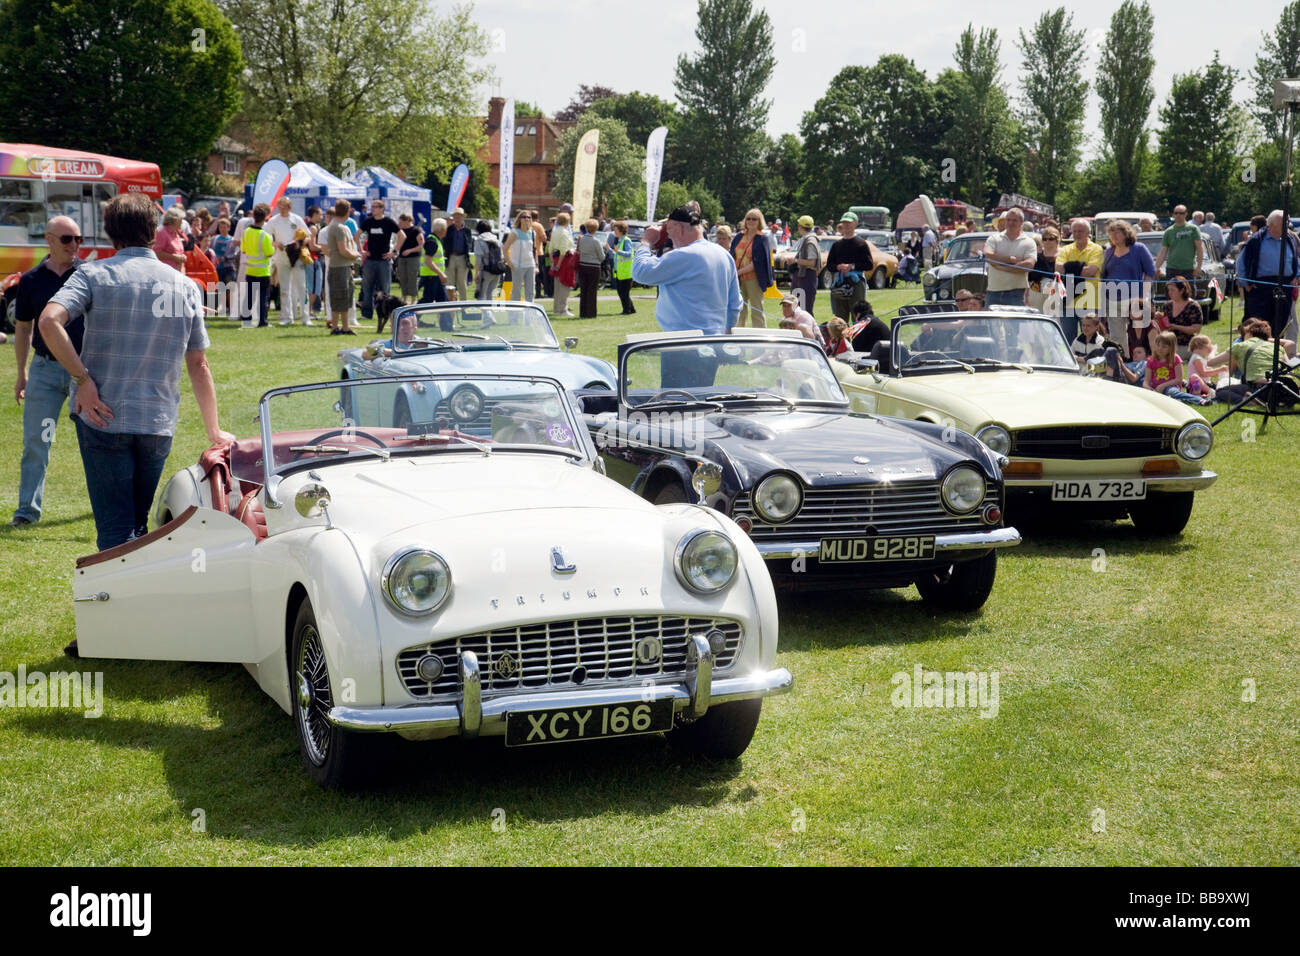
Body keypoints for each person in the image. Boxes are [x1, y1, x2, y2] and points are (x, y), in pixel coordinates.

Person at [37, 193, 234, 554]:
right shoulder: (184, 286)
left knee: (115, 530)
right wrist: (214, 428)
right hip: (155, 421)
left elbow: (49, 322)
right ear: (152, 231)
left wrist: (82, 380)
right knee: (138, 526)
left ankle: (119, 603)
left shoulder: (94, 274)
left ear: (111, 234)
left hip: (103, 418)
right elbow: (199, 364)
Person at [11, 217, 83, 527]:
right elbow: (23, 328)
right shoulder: (30, 281)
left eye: (79, 239)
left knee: (99, 443)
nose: (75, 245)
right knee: (37, 442)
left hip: (85, 372)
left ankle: (108, 508)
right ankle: (27, 512)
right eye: (67, 239)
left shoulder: (88, 276)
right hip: (44, 370)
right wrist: (22, 372)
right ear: (49, 239)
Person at [632, 202, 741, 335]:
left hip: (684, 342)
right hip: (715, 338)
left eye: (669, 231)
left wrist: (646, 242)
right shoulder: (724, 254)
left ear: (679, 228)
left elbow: (641, 273)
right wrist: (727, 331)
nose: (669, 236)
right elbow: (735, 303)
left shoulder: (684, 255)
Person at [1236, 209, 1300, 333]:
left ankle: (1275, 349)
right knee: (1258, 324)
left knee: (1280, 323)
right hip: (1260, 287)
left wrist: (1296, 276)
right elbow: (1241, 263)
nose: (1287, 226)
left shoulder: (1289, 239)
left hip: (1284, 285)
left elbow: (1295, 259)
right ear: (1270, 225)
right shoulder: (1256, 241)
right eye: (1283, 223)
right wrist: (1246, 284)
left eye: (1287, 223)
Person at [1100, 219, 1156, 356]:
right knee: (1116, 336)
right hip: (1112, 299)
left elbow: (1150, 272)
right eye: (1111, 234)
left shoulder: (1139, 249)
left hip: (1135, 299)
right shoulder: (1109, 252)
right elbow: (1103, 276)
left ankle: (1147, 364)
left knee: (1140, 334)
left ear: (1126, 234)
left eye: (1117, 233)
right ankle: (1122, 364)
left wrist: (1142, 297)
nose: (1114, 237)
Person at [1057, 219, 1104, 341]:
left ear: (1088, 232)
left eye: (1081, 231)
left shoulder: (1096, 249)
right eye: (1075, 231)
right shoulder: (1065, 249)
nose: (1077, 234)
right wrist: (1081, 267)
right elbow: (1058, 269)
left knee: (1092, 338)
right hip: (1068, 300)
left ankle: (1093, 360)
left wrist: (1068, 267)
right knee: (1067, 338)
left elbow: (1091, 271)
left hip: (1090, 299)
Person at [266, 197, 310, 326]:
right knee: (284, 288)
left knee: (302, 287)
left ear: (289, 207)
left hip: (296, 256)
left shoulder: (296, 219)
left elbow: (308, 236)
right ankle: (287, 317)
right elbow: (266, 237)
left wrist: (299, 243)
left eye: (284, 206)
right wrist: (275, 243)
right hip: (281, 255)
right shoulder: (274, 221)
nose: (281, 209)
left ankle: (305, 317)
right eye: (280, 206)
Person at [982, 207, 1036, 308]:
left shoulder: (1029, 242)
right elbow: (988, 255)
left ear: (1021, 222)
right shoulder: (994, 238)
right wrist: (1010, 260)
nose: (1011, 223)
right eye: (1008, 220)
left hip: (1016, 294)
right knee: (992, 324)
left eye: (1014, 220)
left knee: (1015, 324)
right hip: (993, 292)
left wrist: (1002, 266)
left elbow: (1029, 265)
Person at [358, 199, 402, 323]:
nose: (373, 209)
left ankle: (384, 313)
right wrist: (362, 250)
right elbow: (356, 235)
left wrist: (393, 252)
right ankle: (367, 313)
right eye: (372, 206)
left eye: (376, 207)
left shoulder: (388, 222)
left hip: (384, 261)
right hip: (370, 260)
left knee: (385, 289)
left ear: (382, 208)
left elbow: (402, 235)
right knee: (367, 288)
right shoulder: (368, 222)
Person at [825, 211, 874, 320]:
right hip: (839, 283)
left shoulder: (861, 244)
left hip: (856, 283)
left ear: (855, 223)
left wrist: (851, 267)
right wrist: (838, 267)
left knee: (858, 316)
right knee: (840, 318)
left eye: (849, 223)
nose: (846, 225)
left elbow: (869, 265)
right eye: (844, 223)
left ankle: (858, 337)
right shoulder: (837, 245)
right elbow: (829, 265)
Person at [322, 200, 360, 335]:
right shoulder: (339, 228)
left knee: (345, 297)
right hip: (339, 267)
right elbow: (343, 250)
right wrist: (356, 255)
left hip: (342, 266)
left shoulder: (337, 226)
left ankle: (345, 327)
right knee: (339, 297)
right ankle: (336, 327)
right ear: (347, 211)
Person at [731, 208, 773, 327]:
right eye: (748, 218)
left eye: (754, 219)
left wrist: (738, 272)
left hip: (754, 278)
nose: (751, 221)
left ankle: (760, 339)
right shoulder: (739, 236)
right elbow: (732, 255)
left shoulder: (762, 238)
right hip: (738, 279)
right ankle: (738, 337)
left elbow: (758, 262)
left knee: (757, 310)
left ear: (759, 221)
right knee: (739, 309)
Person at [1144, 330, 1210, 405]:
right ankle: (1180, 400)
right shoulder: (1151, 360)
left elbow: (1179, 379)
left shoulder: (1175, 359)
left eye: (1164, 347)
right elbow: (1146, 380)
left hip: (1170, 387)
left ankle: (1199, 400)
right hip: (1155, 388)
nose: (1160, 348)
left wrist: (1162, 386)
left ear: (1171, 348)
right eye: (1158, 345)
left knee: (1172, 393)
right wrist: (1148, 388)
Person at [240, 204, 274, 326]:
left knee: (249, 295)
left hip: (250, 269)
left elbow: (243, 250)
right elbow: (270, 253)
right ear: (265, 218)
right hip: (263, 271)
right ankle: (262, 321)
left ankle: (246, 318)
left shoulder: (246, 232)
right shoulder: (265, 235)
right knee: (263, 297)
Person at [1155, 277, 1203, 356]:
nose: (1170, 293)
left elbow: (1196, 329)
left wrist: (1176, 327)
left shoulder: (1193, 306)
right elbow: (1165, 329)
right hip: (1168, 344)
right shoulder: (1167, 305)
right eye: (1169, 290)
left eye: (1173, 290)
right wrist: (1160, 319)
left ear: (1182, 290)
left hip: (1187, 344)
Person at [1155, 205, 1203, 280]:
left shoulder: (1193, 229)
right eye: (1176, 213)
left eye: (1181, 213)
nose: (1178, 215)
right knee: (1171, 291)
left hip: (1188, 269)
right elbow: (1163, 252)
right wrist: (1156, 268)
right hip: (1172, 268)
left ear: (1186, 214)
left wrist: (1199, 267)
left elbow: (1199, 249)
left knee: (1188, 291)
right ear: (1173, 214)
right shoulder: (1168, 231)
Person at [503, 211, 537, 303]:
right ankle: (513, 315)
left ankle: (529, 314)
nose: (526, 219)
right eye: (524, 217)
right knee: (516, 292)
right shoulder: (515, 233)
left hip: (530, 265)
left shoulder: (532, 233)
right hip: (517, 266)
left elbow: (534, 250)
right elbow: (505, 248)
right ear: (520, 219)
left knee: (530, 291)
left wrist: (536, 265)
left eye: (529, 217)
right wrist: (509, 262)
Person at [1027, 227, 1063, 317]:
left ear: (1057, 240)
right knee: (1037, 318)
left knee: (1055, 318)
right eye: (1044, 239)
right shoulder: (1036, 257)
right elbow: (1029, 277)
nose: (1047, 241)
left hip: (1057, 292)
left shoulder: (1064, 255)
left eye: (1051, 239)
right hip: (1036, 292)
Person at [791, 215, 822, 312]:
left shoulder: (810, 240)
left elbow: (812, 262)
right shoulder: (806, 239)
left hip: (807, 277)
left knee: (805, 310)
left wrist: (795, 261)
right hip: (803, 276)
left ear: (800, 226)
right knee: (796, 308)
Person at [547, 212, 576, 316]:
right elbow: (564, 250)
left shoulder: (554, 231)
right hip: (565, 260)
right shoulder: (565, 232)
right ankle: (563, 309)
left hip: (555, 259)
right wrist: (559, 264)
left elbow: (550, 248)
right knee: (565, 285)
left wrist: (552, 263)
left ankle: (557, 308)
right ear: (567, 221)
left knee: (558, 286)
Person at [576, 219, 605, 318]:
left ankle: (583, 312)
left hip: (582, 265)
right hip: (594, 267)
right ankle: (591, 313)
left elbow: (579, 251)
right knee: (592, 291)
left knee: (583, 289)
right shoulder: (596, 241)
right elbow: (602, 256)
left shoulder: (581, 239)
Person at [393, 212, 423, 305]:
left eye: (401, 222)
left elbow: (421, 245)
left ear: (407, 221)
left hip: (413, 258)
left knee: (412, 278)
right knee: (403, 278)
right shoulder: (400, 231)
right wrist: (395, 252)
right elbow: (397, 242)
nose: (399, 224)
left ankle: (414, 298)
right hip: (402, 258)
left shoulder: (416, 230)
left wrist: (410, 250)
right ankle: (404, 298)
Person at [444, 207, 473, 301]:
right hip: (451, 257)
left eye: (459, 216)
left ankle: (463, 304)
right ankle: (450, 303)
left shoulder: (467, 230)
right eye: (455, 216)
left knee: (462, 283)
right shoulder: (449, 229)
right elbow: (444, 242)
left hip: (462, 258)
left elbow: (469, 244)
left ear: (462, 218)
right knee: (450, 283)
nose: (457, 218)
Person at [418, 218, 448, 304]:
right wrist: (441, 274)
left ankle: (445, 317)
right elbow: (428, 261)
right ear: (442, 230)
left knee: (443, 302)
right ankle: (411, 315)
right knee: (427, 300)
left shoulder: (435, 240)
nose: (446, 230)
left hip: (434, 276)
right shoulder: (432, 241)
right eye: (445, 228)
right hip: (431, 276)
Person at [474, 220, 504, 300]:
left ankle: (485, 312)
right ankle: (490, 312)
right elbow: (502, 256)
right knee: (490, 295)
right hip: (497, 271)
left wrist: (476, 274)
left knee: (481, 295)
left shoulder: (479, 240)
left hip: (486, 271)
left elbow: (478, 260)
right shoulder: (496, 240)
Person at [1186, 334, 1221, 400]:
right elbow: (1203, 373)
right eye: (1208, 347)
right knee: (1194, 377)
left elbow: (1208, 373)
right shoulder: (1196, 358)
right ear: (1200, 346)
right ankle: (1211, 392)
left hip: (1205, 385)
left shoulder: (1202, 358)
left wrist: (1219, 372)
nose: (1209, 350)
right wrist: (1219, 370)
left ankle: (1212, 392)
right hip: (1195, 386)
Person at [611, 220, 635, 314]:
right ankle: (631, 309)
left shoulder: (626, 240)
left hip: (626, 272)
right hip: (620, 272)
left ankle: (626, 310)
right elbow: (618, 255)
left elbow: (629, 253)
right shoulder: (620, 241)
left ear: (621, 230)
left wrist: (618, 252)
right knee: (622, 293)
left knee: (623, 293)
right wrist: (610, 250)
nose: (614, 232)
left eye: (616, 229)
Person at [155, 207, 187, 273]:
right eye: (181, 220)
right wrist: (175, 257)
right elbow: (157, 253)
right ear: (174, 220)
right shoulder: (162, 232)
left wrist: (182, 256)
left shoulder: (175, 233)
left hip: (178, 273)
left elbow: (178, 252)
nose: (182, 222)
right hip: (166, 273)